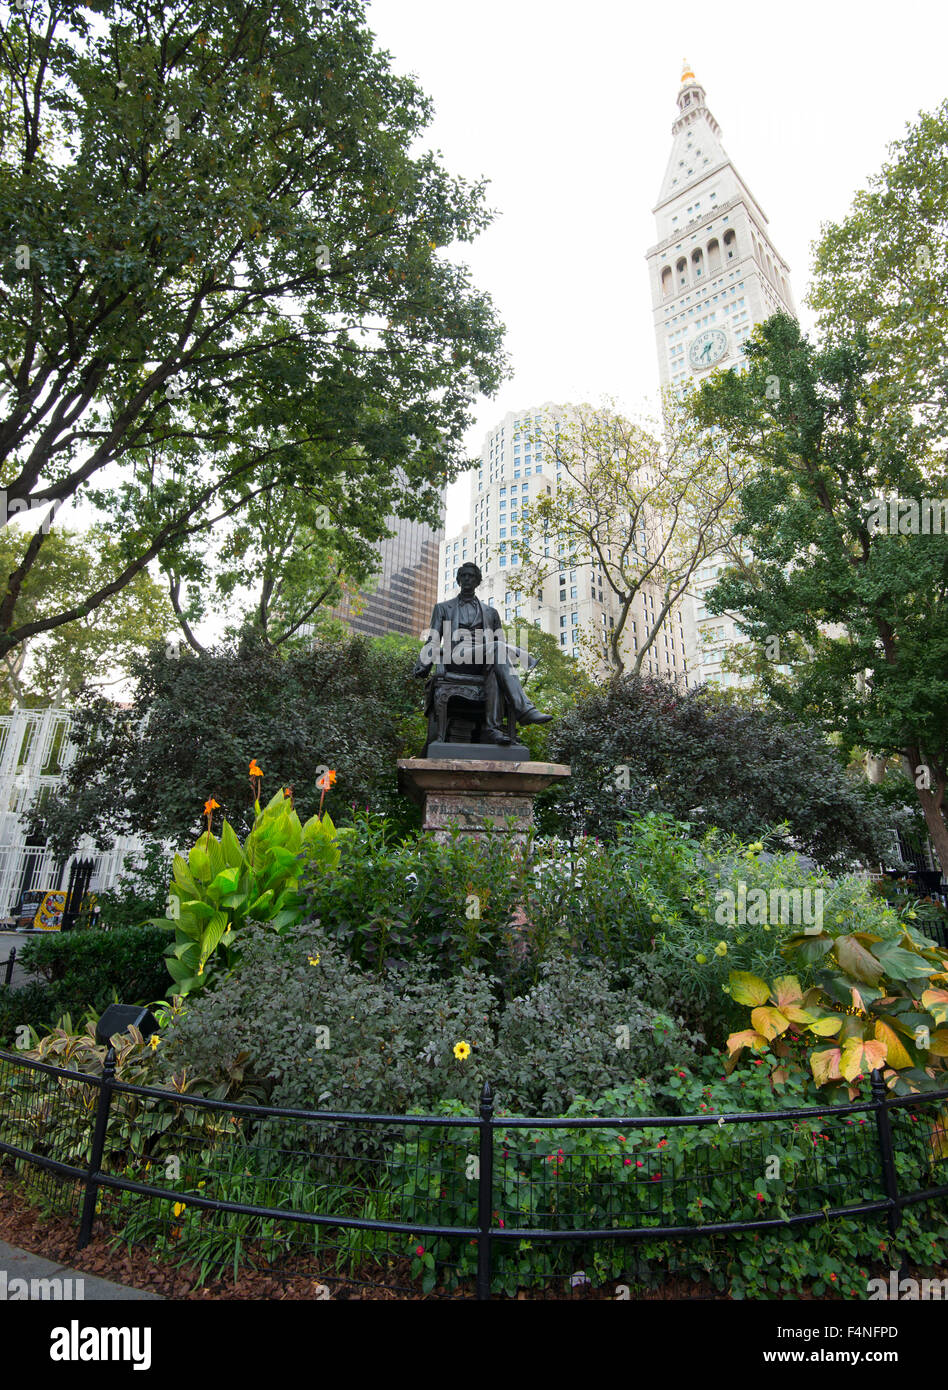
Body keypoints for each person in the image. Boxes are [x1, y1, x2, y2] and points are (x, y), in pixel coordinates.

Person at [413, 562, 552, 746]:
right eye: (463, 576)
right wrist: (423, 663)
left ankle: (491, 730)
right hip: (456, 656)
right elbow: (433, 638)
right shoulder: (443, 608)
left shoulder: (491, 612)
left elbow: (499, 641)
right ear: (458, 580)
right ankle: (525, 709)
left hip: (484, 658)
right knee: (496, 648)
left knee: (495, 667)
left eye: (471, 576)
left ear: (478, 581)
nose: (467, 579)